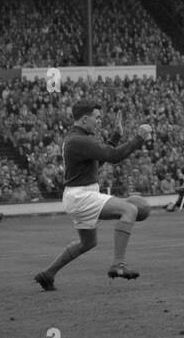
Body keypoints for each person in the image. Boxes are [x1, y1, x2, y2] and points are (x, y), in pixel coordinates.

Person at [34, 100, 152, 290]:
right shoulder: (81, 140)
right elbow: (113, 157)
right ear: (85, 119)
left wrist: (115, 136)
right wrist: (139, 138)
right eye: (97, 118)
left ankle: (48, 274)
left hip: (76, 196)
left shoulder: (76, 139)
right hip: (82, 196)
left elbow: (99, 161)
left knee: (88, 242)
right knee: (130, 209)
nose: (99, 121)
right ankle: (118, 265)